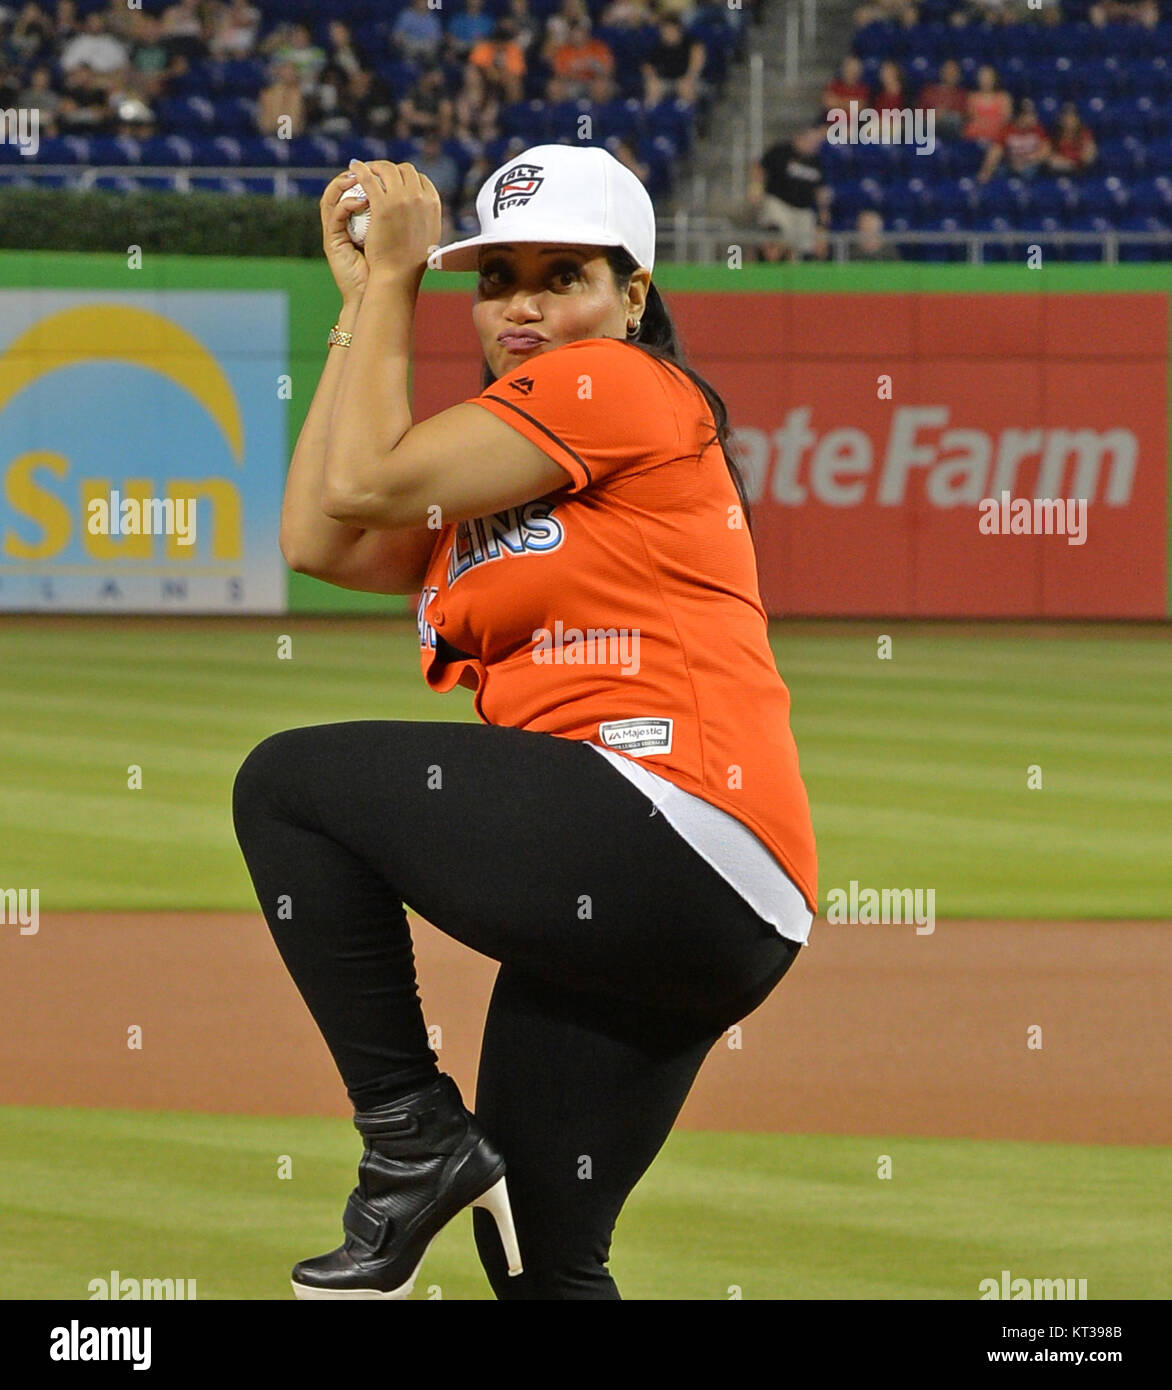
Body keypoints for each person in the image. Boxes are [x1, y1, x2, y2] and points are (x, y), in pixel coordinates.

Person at [232, 143, 818, 1300]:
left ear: (632, 296)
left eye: (563, 275)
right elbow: (317, 538)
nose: (524, 306)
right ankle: (428, 1152)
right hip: (697, 911)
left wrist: (393, 280)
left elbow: (364, 486)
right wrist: (361, 305)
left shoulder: (614, 382)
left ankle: (408, 1134)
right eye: (495, 278)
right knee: (544, 1262)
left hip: (669, 822)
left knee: (288, 788)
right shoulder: (502, 460)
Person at [748, 126, 830, 262]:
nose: (813, 145)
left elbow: (820, 189)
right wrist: (756, 187)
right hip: (779, 203)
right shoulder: (782, 151)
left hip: (803, 209)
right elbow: (759, 167)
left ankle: (796, 271)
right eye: (810, 141)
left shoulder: (817, 161)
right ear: (799, 138)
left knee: (806, 244)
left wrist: (823, 210)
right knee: (778, 236)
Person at [977, 96, 1050, 182]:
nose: (1034, 117)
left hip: (1031, 164)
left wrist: (1027, 159)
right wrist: (986, 172)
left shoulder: (1038, 129)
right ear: (1020, 117)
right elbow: (995, 152)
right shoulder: (1007, 130)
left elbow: (1046, 151)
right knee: (999, 172)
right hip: (1011, 165)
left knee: (1029, 171)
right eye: (1030, 114)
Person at [916, 58, 967, 140]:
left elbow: (963, 116)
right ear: (942, 72)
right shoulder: (929, 91)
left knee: (954, 119)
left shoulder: (961, 94)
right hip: (928, 126)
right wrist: (935, 115)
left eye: (954, 71)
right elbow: (919, 113)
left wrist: (945, 114)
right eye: (948, 70)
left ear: (959, 75)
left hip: (950, 129)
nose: (950, 74)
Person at [963, 63, 1011, 144]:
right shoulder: (972, 97)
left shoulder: (1004, 97)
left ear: (994, 78)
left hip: (997, 135)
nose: (986, 80)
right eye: (983, 77)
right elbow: (970, 118)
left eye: (989, 77)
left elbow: (1006, 119)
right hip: (975, 135)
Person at [1047, 102, 1096, 175]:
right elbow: (1050, 155)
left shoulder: (1084, 132)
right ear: (1061, 119)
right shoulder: (1055, 134)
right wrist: (1069, 163)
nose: (1069, 121)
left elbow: (1089, 153)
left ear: (1077, 119)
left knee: (1090, 154)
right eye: (1066, 117)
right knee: (1053, 161)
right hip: (1062, 167)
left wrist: (1079, 161)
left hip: (1081, 167)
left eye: (1072, 117)